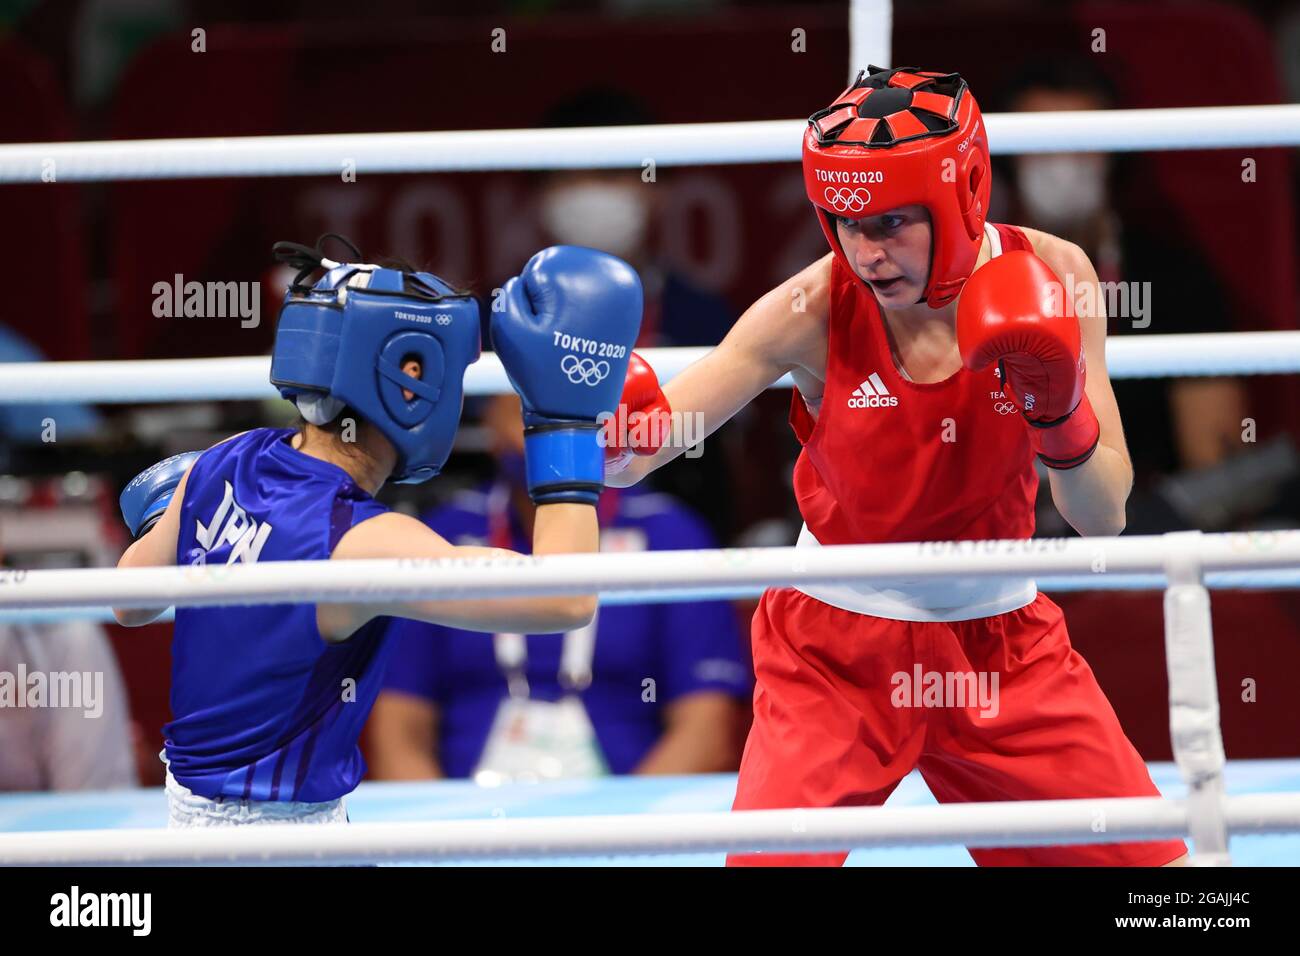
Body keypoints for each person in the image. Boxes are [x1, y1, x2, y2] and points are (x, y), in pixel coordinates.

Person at [607, 66, 1188, 866]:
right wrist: (593, 425)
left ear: (965, 195)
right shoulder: (811, 308)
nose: (864, 253)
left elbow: (1103, 515)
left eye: (889, 224)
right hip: (833, 655)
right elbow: (640, 455)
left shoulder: (1057, 275)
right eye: (844, 223)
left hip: (1001, 650)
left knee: (1168, 901)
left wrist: (1059, 412)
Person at [111, 235, 642, 826]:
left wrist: (193, 526)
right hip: (281, 844)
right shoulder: (357, 540)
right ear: (410, 374)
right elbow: (563, 597)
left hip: (185, 819)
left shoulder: (224, 460)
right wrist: (565, 426)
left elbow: (131, 603)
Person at [367, 391, 749, 783]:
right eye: (519, 397)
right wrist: (445, 841)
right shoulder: (442, 535)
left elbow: (706, 731)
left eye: (551, 396)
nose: (537, 417)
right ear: (488, 418)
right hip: (467, 820)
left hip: (631, 812)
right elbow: (398, 732)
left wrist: (625, 837)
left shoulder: (670, 533)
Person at [998, 58, 1248, 533]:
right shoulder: (964, 276)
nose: (1063, 166)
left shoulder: (1174, 276)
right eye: (1042, 148)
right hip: (1000, 532)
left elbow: (1216, 459)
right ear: (1010, 161)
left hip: (1141, 532)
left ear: (1114, 157)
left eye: (1081, 147)